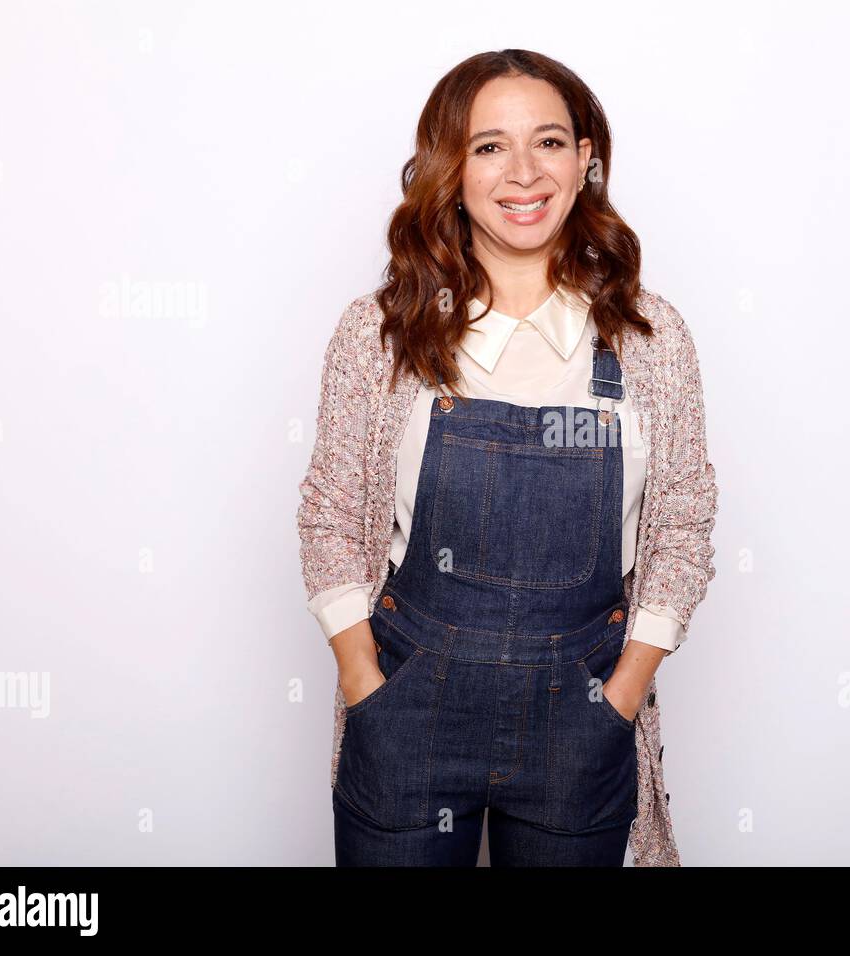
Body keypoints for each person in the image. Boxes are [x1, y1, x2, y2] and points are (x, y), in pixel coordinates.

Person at [296, 49, 718, 866]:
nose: (522, 172)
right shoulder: (380, 334)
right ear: (450, 169)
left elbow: (684, 525)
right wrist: (364, 686)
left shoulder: (650, 341)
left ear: (586, 159)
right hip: (408, 710)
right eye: (489, 146)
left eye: (549, 142)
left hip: (583, 718)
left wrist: (622, 697)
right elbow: (330, 516)